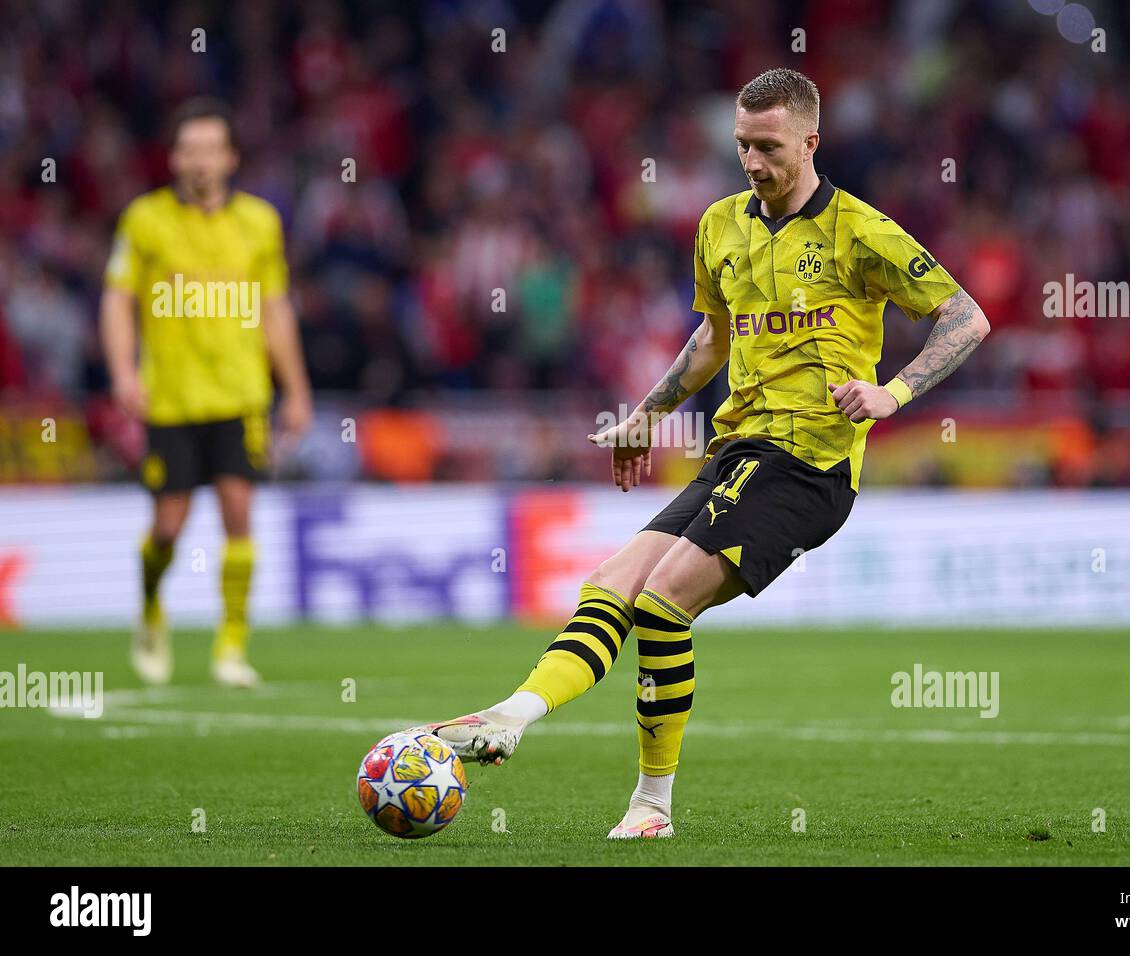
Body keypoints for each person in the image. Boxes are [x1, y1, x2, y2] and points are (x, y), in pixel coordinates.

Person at [415, 68, 990, 838]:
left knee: (662, 602)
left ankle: (652, 805)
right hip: (736, 453)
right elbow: (714, 337)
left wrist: (895, 392)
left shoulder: (861, 231)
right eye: (743, 146)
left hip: (810, 467)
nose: (753, 162)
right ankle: (513, 714)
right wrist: (647, 416)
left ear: (811, 142)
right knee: (611, 584)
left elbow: (966, 317)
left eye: (769, 147)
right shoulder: (719, 224)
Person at [100, 97, 313, 687]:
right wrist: (122, 371)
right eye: (189, 149)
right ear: (173, 158)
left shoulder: (260, 223)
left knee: (238, 514)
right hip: (169, 396)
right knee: (168, 525)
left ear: (230, 158)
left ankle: (231, 647)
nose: (200, 160)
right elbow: (117, 298)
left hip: (241, 395)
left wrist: (295, 389)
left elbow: (275, 310)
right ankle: (149, 607)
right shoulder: (144, 221)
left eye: (211, 149)